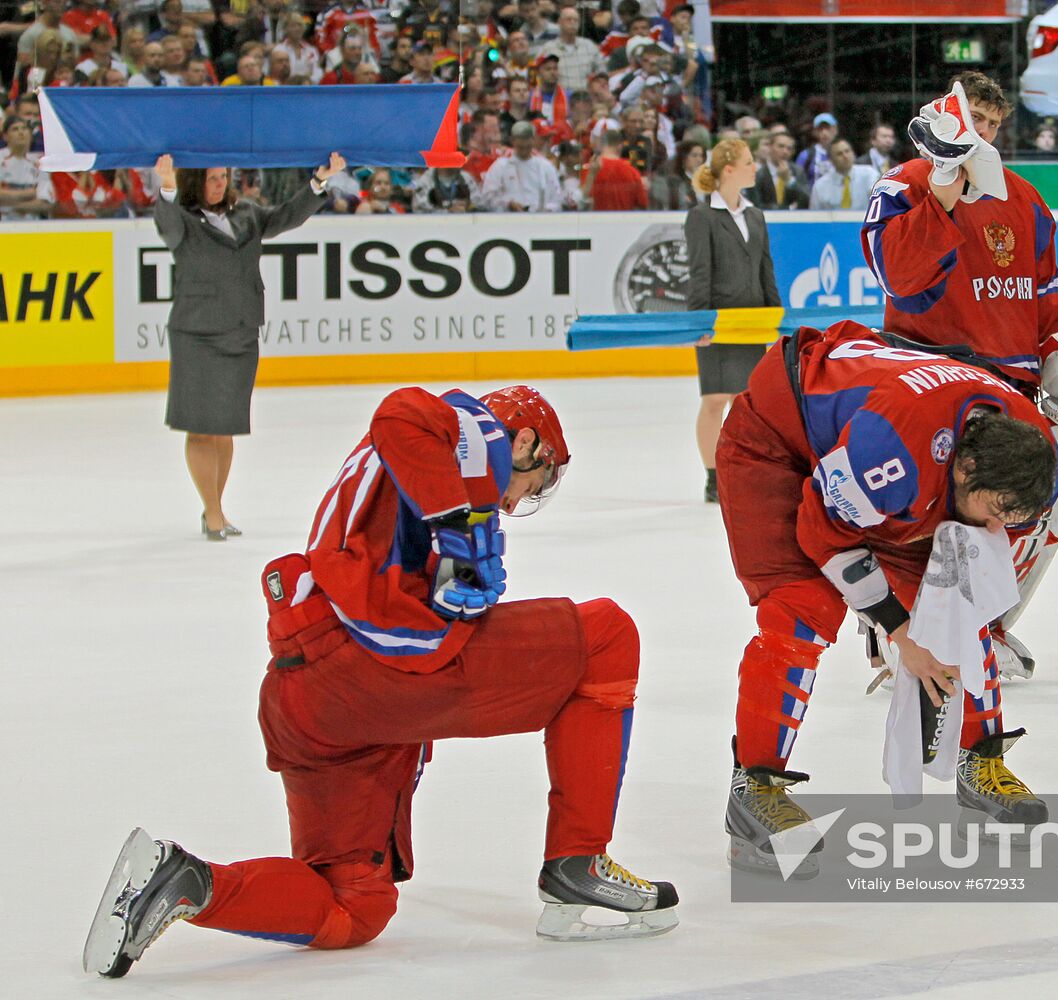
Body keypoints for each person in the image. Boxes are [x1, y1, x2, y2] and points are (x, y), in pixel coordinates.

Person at [82, 384, 679, 978]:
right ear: (525, 442)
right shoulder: (472, 437)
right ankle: (579, 862)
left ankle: (185, 881)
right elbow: (401, 413)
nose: (522, 497)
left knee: (355, 905)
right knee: (607, 636)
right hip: (366, 672)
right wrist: (456, 522)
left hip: (306, 695)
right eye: (537, 480)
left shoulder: (427, 469)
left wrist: (449, 534)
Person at [716, 320, 1058, 875]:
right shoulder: (892, 452)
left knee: (962, 599)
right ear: (967, 468)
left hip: (884, 455)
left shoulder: (1030, 453)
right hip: (778, 440)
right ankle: (753, 788)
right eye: (996, 511)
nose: (1000, 527)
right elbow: (823, 532)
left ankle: (981, 761)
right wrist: (902, 634)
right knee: (802, 611)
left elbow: (980, 550)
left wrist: (942, 607)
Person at [861, 71, 1058, 683]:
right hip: (934, 379)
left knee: (1037, 508)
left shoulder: (1024, 198)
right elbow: (897, 274)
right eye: (972, 119)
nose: (981, 133)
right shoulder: (902, 184)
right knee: (934, 515)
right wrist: (943, 191)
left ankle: (986, 627)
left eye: (991, 124)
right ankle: (905, 629)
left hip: (1013, 385)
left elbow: (1047, 295)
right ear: (942, 115)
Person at [152, 151, 342, 540]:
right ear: (195, 182)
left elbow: (287, 216)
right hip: (197, 334)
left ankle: (216, 507)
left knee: (225, 427)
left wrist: (319, 181)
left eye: (223, 176)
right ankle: (212, 511)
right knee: (201, 428)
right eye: (212, 178)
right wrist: (167, 185)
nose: (220, 183)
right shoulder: (182, 220)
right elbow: (166, 224)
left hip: (240, 332)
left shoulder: (247, 215)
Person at [684, 137, 780, 504]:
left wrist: (775, 318)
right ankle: (713, 477)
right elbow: (700, 273)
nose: (755, 167)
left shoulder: (755, 215)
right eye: (749, 161)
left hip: (752, 321)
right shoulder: (702, 216)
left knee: (745, 401)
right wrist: (700, 322)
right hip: (717, 322)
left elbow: (766, 270)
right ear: (729, 169)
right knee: (714, 399)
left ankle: (740, 471)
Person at [480, 120, 562, 212]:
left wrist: (545, 209)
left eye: (527, 146)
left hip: (540, 216)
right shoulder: (500, 166)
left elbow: (557, 198)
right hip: (509, 217)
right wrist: (507, 204)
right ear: (512, 141)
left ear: (533, 140)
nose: (524, 150)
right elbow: (488, 198)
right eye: (521, 147)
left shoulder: (545, 166)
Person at [582, 128, 648, 210]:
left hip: (597, 217)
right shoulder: (632, 171)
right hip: (625, 217)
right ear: (620, 146)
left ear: (601, 145)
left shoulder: (590, 169)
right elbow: (642, 204)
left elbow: (582, 199)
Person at [807, 137, 878, 210]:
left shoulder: (869, 174)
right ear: (831, 160)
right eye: (839, 154)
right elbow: (814, 214)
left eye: (847, 151)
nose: (845, 156)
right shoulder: (820, 186)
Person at [753, 130, 809, 210]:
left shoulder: (798, 172)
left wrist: (789, 180)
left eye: (789, 149)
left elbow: (806, 199)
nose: (785, 151)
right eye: (781, 146)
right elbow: (756, 205)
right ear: (770, 147)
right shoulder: (758, 175)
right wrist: (787, 208)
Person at [794, 112, 836, 187]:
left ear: (835, 130)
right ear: (815, 132)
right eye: (820, 129)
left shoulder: (843, 152)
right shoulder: (805, 155)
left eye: (828, 128)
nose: (824, 132)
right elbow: (798, 182)